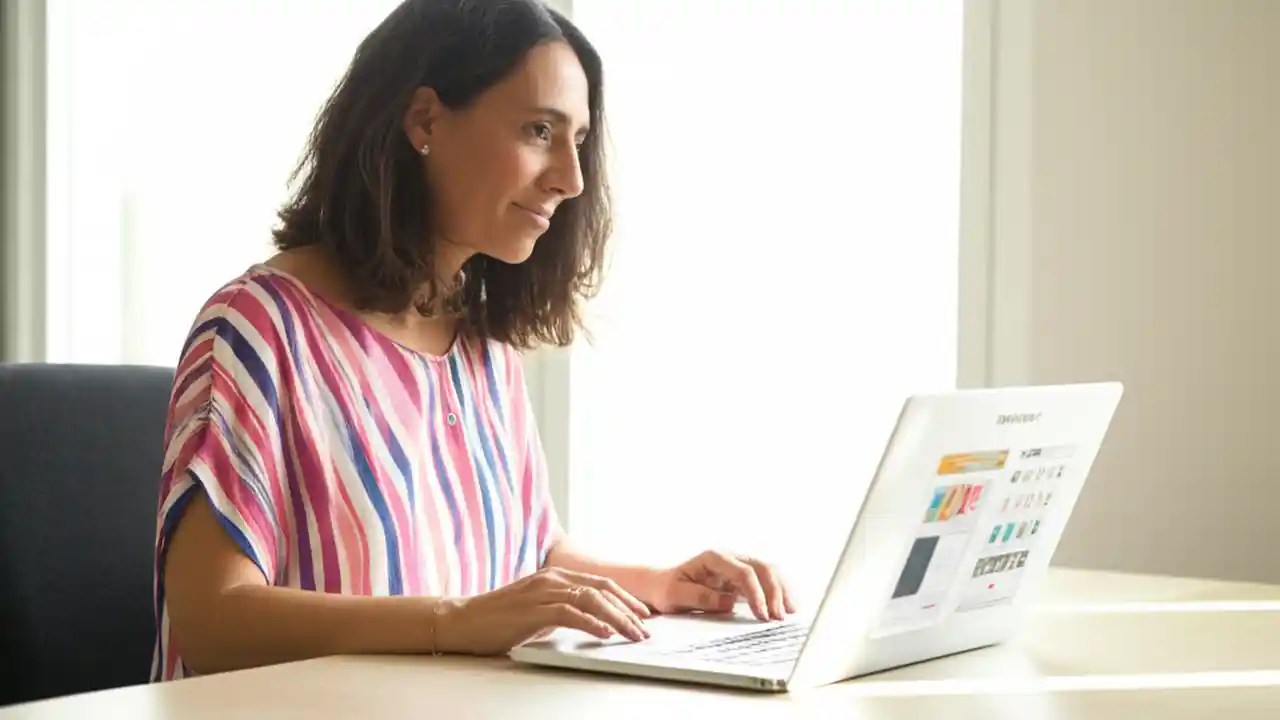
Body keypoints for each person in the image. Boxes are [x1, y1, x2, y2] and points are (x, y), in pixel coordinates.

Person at [153, 0, 794, 681]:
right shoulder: (257, 329)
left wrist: (661, 584)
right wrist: (453, 623)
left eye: (576, 141)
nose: (570, 180)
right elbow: (215, 620)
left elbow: (523, 559)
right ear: (424, 120)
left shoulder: (482, 349)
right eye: (538, 130)